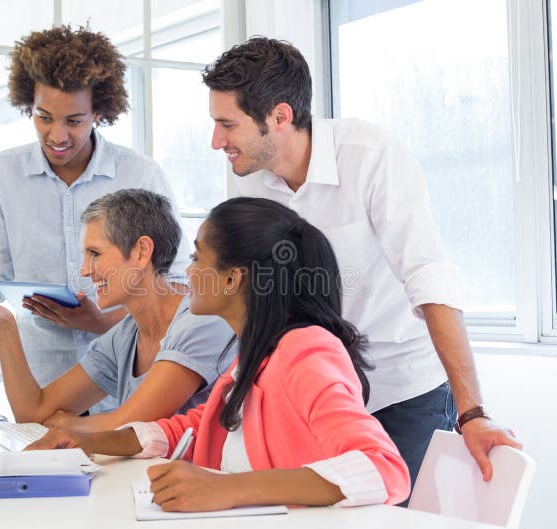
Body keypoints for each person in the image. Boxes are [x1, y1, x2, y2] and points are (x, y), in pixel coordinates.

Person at [200, 37, 521, 492]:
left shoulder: (369, 155)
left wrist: (472, 412)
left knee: (390, 516)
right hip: (316, 394)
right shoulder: (250, 189)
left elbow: (428, 275)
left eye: (226, 124)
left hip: (401, 389)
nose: (217, 141)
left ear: (280, 116)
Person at [29, 197, 411, 510]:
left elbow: (382, 467)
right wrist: (89, 441)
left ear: (232, 278)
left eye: (197, 259)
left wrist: (227, 489)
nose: (188, 272)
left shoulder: (306, 350)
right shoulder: (256, 357)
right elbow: (191, 428)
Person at [0, 26, 191, 423]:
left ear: (99, 112)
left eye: (74, 120)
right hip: (46, 383)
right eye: (44, 117)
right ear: (30, 105)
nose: (56, 135)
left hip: (135, 377)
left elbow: (178, 284)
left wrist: (103, 322)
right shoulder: (1, 174)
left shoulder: (140, 173)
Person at [0, 189, 235, 430]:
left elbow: (128, 426)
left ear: (142, 251)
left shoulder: (202, 320)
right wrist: (3, 324)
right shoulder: (125, 336)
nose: (85, 271)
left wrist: (69, 423)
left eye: (95, 254)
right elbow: (35, 413)